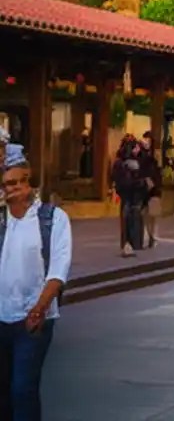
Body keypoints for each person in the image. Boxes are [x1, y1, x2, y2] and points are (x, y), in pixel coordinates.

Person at [0, 143, 72, 420]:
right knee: (4, 394)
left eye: (19, 181)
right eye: (7, 184)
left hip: (34, 319)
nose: (14, 188)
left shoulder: (52, 218)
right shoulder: (2, 219)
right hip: (2, 317)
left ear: (29, 181)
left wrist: (40, 308)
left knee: (23, 389)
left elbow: (58, 270)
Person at [140, 132, 163, 249]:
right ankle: (149, 236)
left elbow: (158, 172)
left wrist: (155, 184)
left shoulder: (156, 156)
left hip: (154, 190)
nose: (146, 143)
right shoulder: (141, 156)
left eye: (148, 141)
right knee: (145, 216)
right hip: (145, 190)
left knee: (153, 215)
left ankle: (153, 237)